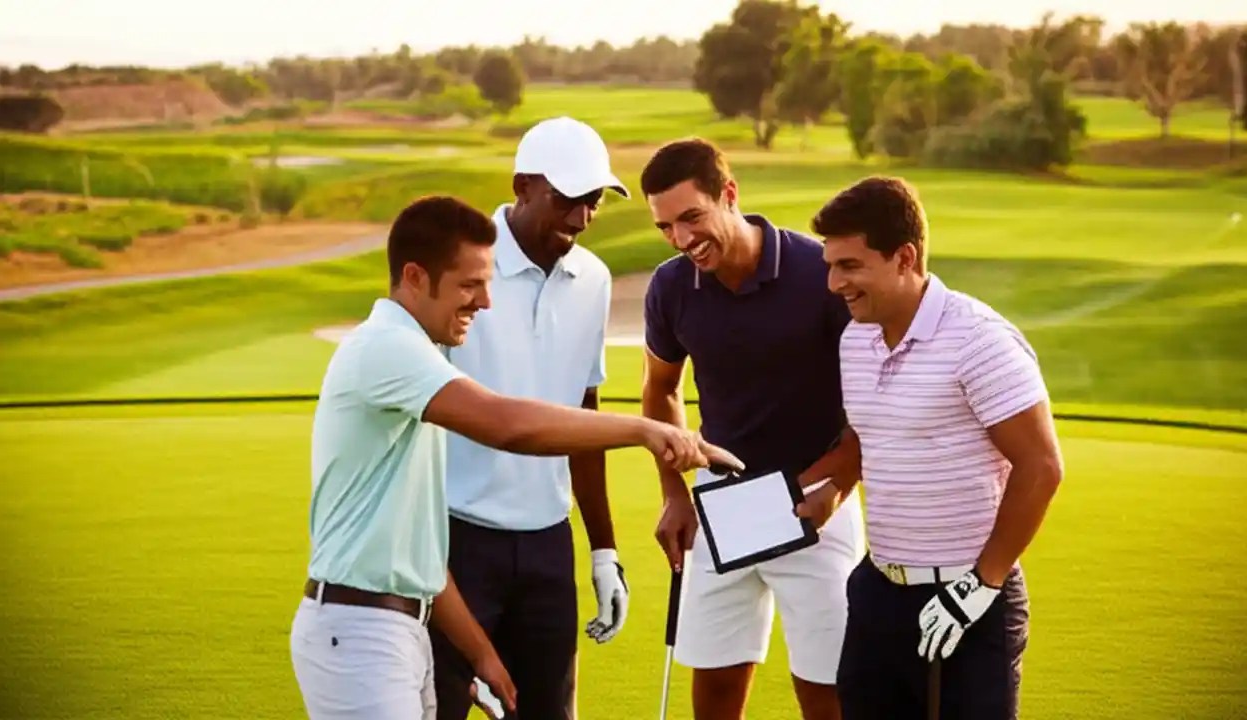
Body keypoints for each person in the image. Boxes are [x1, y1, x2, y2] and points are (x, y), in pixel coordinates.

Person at [289, 195, 743, 720]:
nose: (485, 303)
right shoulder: (387, 349)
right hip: (359, 632)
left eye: (487, 283)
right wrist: (646, 430)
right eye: (469, 285)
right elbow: (508, 425)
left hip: (397, 629)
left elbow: (425, 565)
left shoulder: (421, 363)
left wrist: (484, 655)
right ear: (414, 277)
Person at [797, 175, 1064, 719]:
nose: (833, 283)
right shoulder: (857, 338)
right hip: (880, 593)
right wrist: (834, 489)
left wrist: (981, 584)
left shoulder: (979, 340)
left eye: (849, 266)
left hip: (970, 599)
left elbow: (1040, 467)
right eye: (829, 265)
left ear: (904, 257)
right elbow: (870, 438)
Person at [639, 137, 867, 720]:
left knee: (827, 690)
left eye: (692, 217)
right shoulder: (669, 287)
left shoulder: (817, 273)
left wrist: (837, 483)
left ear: (729, 195)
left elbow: (874, 401)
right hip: (723, 504)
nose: (682, 240)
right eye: (666, 227)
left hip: (815, 502)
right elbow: (661, 389)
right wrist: (675, 495)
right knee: (714, 688)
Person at [430, 116, 632, 720]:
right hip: (456, 540)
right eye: (567, 200)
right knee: (439, 708)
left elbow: (583, 414)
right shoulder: (461, 266)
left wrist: (603, 550)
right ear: (522, 187)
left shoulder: (592, 278)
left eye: (593, 202)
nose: (581, 218)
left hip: (548, 544)